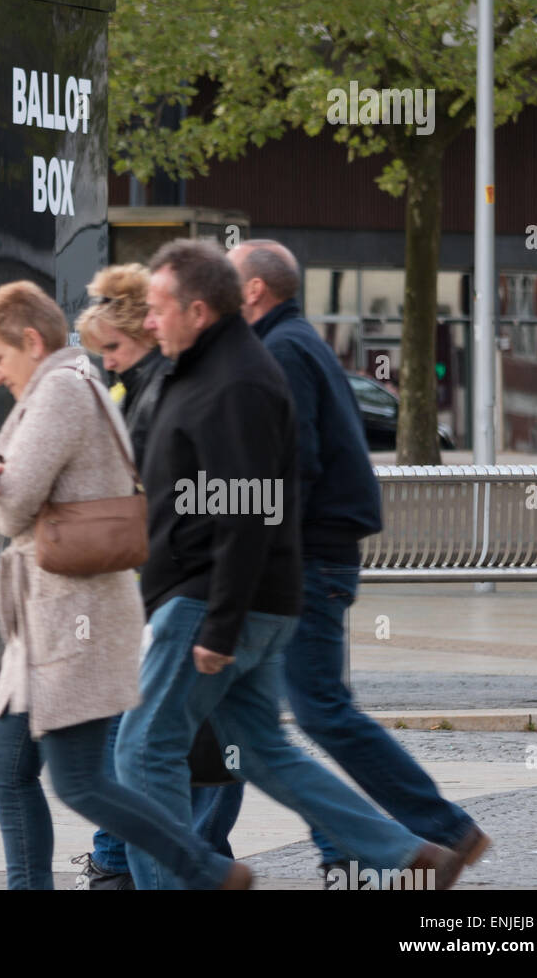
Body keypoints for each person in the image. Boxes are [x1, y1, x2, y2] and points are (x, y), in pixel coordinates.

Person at [113, 239, 466, 891]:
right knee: (265, 752)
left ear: (199, 308)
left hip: (211, 600)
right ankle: (402, 850)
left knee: (140, 753)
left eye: (157, 307)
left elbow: (251, 506)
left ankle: (192, 877)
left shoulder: (240, 376)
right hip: (243, 597)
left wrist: (219, 624)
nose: (148, 320)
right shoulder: (207, 364)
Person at [0, 279, 251, 890]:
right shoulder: (72, 387)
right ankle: (199, 865)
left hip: (73, 616)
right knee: (12, 763)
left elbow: (10, 509)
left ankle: (204, 866)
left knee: (81, 780)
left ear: (31, 340)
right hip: (58, 615)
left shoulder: (59, 395)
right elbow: (3, 498)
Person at [226, 238, 491, 885]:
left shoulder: (282, 350)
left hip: (307, 560)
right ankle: (343, 853)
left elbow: (297, 468)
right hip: (313, 557)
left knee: (317, 711)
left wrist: (266, 557)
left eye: (228, 280)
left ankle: (437, 831)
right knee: (263, 714)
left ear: (255, 290)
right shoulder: (297, 342)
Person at [71, 265, 243, 891]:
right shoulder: (136, 390)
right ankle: (151, 860)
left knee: (167, 739)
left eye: (114, 349)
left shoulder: (181, 389)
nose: (109, 364)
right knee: (156, 735)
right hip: (148, 584)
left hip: (178, 586)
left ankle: (184, 860)